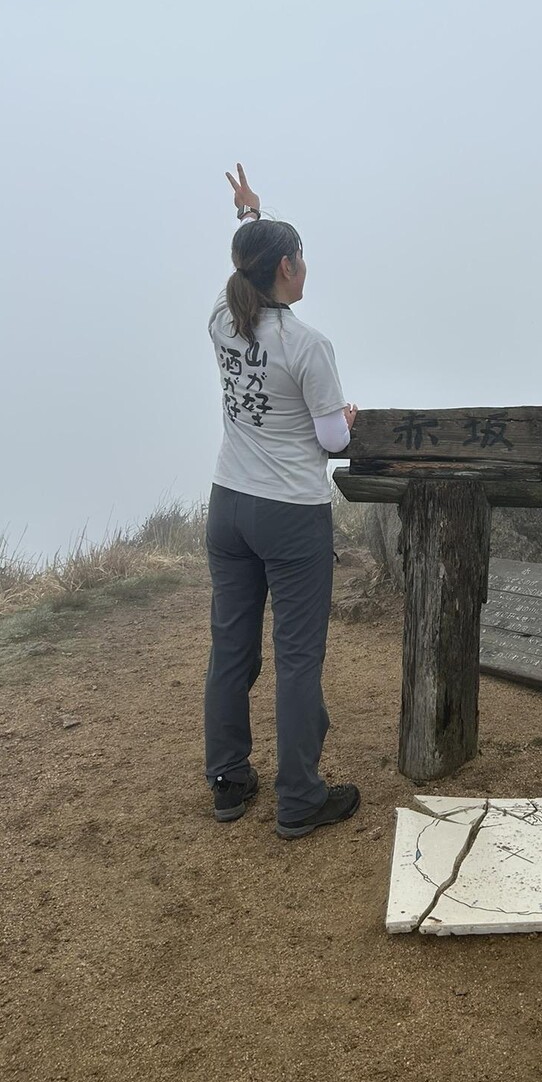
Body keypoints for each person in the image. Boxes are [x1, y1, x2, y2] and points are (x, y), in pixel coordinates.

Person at [203, 162, 360, 838]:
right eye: (300, 257)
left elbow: (238, 274)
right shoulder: (307, 345)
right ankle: (299, 799)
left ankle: (229, 782)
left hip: (228, 504)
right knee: (298, 657)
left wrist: (248, 219)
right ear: (290, 268)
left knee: (230, 648)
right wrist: (346, 417)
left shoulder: (222, 320)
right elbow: (330, 440)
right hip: (291, 512)